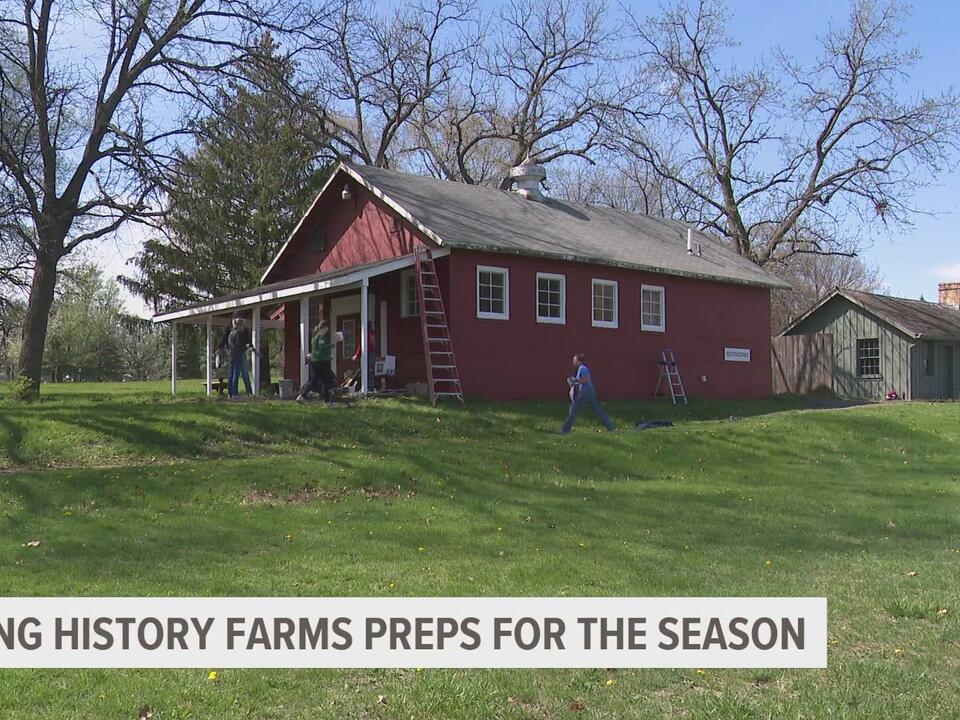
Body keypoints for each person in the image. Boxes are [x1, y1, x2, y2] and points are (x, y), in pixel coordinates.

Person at [561, 353, 615, 433]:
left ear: (579, 361)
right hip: (589, 391)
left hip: (586, 392)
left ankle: (565, 430)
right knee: (597, 410)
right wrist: (573, 381)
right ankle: (610, 426)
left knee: (573, 409)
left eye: (574, 360)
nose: (573, 362)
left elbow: (586, 380)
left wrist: (575, 380)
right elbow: (582, 381)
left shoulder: (583, 368)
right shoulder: (581, 369)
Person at [297, 320, 337, 404]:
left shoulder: (315, 337)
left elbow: (318, 350)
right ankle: (327, 401)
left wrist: (328, 356)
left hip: (316, 360)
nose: (327, 330)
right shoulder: (320, 337)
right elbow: (322, 348)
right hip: (321, 362)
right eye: (327, 329)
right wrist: (332, 344)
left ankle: (303, 395)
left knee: (315, 379)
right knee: (325, 380)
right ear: (324, 328)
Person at [226, 316, 256, 399]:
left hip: (232, 356)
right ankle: (236, 394)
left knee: (231, 375)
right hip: (238, 356)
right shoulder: (237, 334)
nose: (243, 328)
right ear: (239, 325)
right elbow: (239, 346)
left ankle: (230, 393)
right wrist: (247, 347)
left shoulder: (231, 333)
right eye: (242, 326)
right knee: (237, 375)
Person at [352, 322, 377, 389]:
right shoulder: (372, 333)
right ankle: (370, 387)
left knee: (365, 371)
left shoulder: (365, 334)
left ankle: (366, 388)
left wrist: (356, 356)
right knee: (370, 371)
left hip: (367, 354)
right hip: (372, 353)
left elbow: (362, 346)